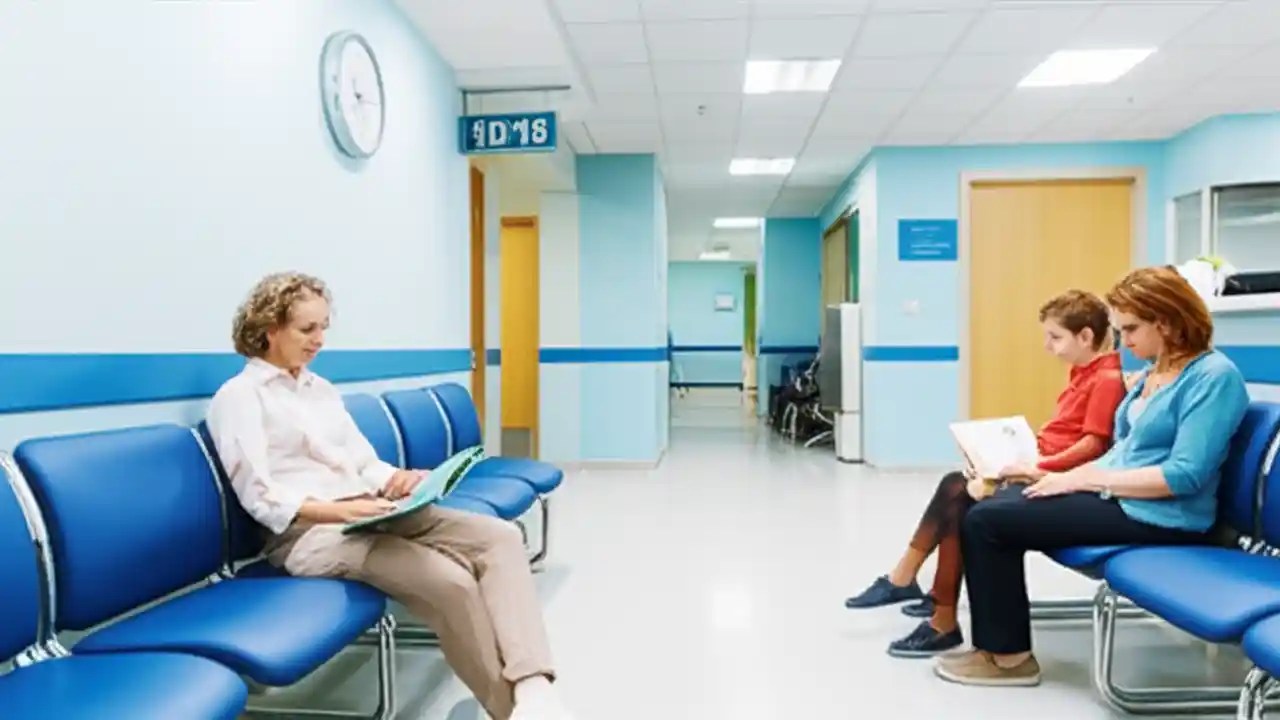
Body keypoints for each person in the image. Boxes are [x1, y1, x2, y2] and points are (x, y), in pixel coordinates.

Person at [205, 272, 573, 720]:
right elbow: (259, 497)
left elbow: (364, 461)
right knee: (450, 582)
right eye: (308, 329)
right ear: (269, 330)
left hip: (374, 510)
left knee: (500, 538)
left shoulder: (318, 390)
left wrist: (400, 479)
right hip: (309, 535)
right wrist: (339, 511)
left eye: (324, 327)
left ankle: (533, 684)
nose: (320, 340)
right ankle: (506, 710)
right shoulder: (239, 398)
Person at [936, 266, 1249, 687]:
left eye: (1133, 328)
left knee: (990, 522)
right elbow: (1120, 455)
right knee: (995, 503)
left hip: (1168, 515)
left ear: (1169, 321)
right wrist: (1046, 473)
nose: (1125, 341)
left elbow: (1185, 475)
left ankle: (1009, 660)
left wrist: (1082, 480)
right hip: (1124, 499)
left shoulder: (1214, 377)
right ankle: (994, 646)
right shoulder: (1154, 373)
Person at [844, 290, 1128, 658]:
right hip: (1040, 461)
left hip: (1056, 475)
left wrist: (1036, 467)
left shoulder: (1105, 378)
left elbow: (1093, 445)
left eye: (1055, 337)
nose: (1047, 346)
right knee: (956, 486)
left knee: (958, 493)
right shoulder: (1082, 373)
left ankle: (925, 600)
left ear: (1086, 336)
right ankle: (921, 593)